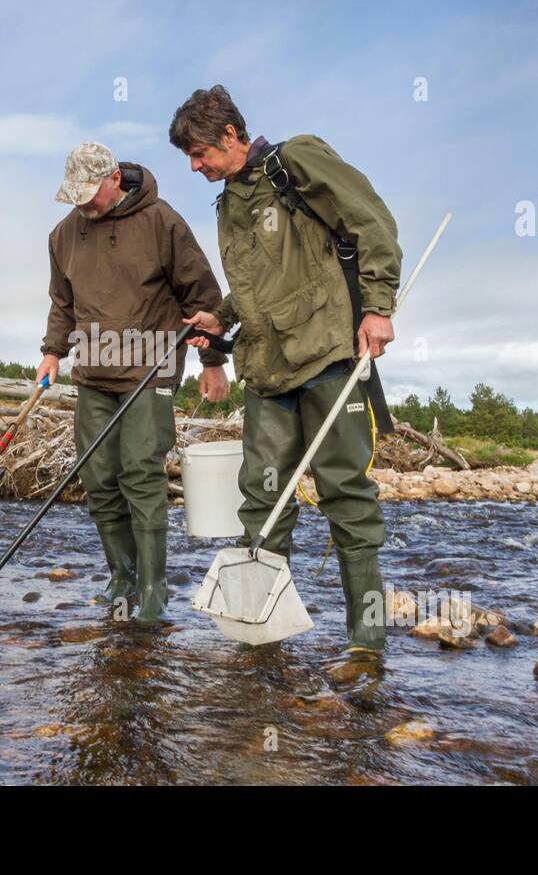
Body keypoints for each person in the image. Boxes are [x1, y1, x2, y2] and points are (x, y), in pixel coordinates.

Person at [169, 85, 402, 676]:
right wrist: (219, 316)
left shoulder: (295, 161)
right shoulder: (228, 203)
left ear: (229, 134)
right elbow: (257, 286)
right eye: (189, 159)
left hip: (327, 355)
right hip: (267, 372)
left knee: (346, 496)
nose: (195, 167)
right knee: (263, 503)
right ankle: (261, 639)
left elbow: (372, 221)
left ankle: (366, 646)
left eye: (199, 153)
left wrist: (377, 306)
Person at [37, 142, 229, 624]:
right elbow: (62, 303)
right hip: (93, 373)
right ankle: (121, 576)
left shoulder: (162, 222)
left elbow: (202, 295)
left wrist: (213, 362)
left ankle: (152, 588)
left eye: (90, 193)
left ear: (115, 179)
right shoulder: (63, 235)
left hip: (150, 370)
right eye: (75, 196)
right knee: (99, 479)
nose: (84, 203)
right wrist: (51, 352)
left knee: (141, 476)